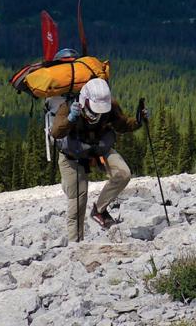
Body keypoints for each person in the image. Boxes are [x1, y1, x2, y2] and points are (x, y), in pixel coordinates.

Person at [51, 75, 145, 241]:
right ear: (85, 100)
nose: (98, 112)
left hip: (98, 149)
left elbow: (122, 125)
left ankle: (99, 210)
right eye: (95, 109)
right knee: (78, 203)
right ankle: (76, 245)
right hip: (72, 157)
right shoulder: (68, 107)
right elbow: (56, 132)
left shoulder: (110, 107)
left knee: (123, 173)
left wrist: (138, 121)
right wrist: (70, 119)